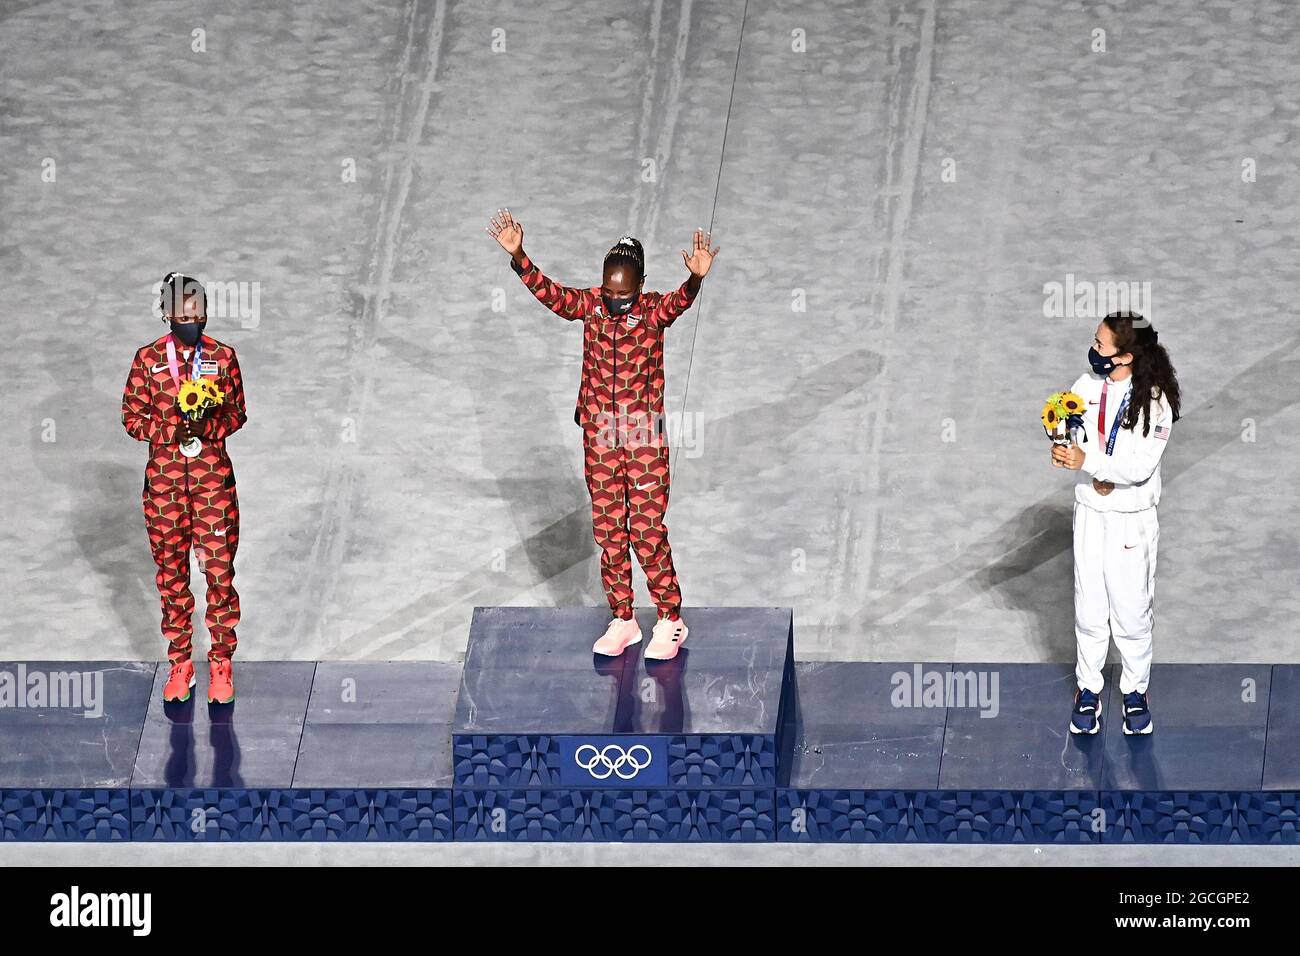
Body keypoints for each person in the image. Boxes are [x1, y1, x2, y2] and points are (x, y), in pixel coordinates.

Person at [486, 209, 717, 660]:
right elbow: (554, 297)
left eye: (624, 296)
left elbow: (679, 303)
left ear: (641, 286)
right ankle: (624, 618)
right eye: (610, 294)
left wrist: (694, 282)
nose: (615, 303)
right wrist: (519, 256)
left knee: (647, 530)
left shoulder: (652, 312)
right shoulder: (591, 306)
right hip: (600, 438)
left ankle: (671, 619)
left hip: (642, 439)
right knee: (610, 531)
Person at [122, 273, 247, 702]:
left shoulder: (223, 357)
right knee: (171, 576)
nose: (189, 322)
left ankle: (221, 664)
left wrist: (207, 423)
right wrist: (171, 428)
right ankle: (180, 663)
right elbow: (131, 418)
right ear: (166, 315)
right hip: (164, 486)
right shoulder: (148, 359)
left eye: (196, 315)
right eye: (180, 315)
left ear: (206, 313)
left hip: (213, 483)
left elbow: (237, 415)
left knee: (218, 574)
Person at [1053, 313, 1180, 735]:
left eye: (1101, 345)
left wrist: (1086, 461)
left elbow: (1139, 467)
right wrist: (1060, 442)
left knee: (1130, 612)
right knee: (1089, 608)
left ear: (1125, 356)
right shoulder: (1084, 388)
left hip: (1131, 521)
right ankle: (1088, 690)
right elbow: (1075, 435)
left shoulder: (1155, 402)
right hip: (1090, 513)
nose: (1094, 350)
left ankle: (1134, 692)